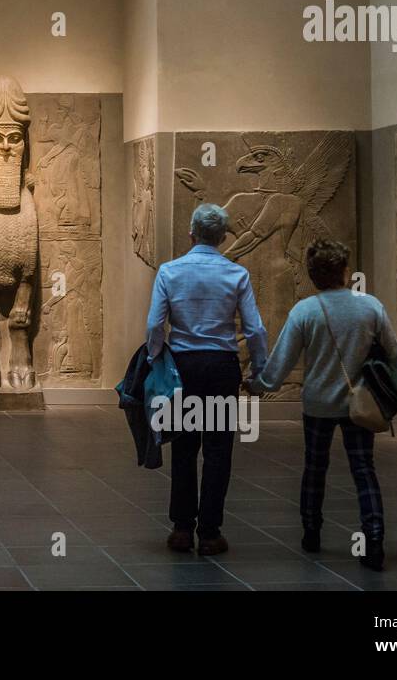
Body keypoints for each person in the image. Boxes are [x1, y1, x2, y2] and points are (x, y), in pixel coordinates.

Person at [247, 239, 397, 572]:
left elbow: (282, 362)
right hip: (360, 402)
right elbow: (396, 354)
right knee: (364, 470)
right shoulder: (370, 305)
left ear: (314, 274)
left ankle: (311, 531)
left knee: (315, 469)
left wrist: (260, 385)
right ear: (345, 271)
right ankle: (374, 540)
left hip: (318, 402)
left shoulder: (305, 311)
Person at [146, 203, 268, 556]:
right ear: (223, 238)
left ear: (191, 234)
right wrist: (259, 371)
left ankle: (182, 528)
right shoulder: (236, 274)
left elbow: (156, 324)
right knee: (218, 450)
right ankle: (211, 531)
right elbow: (254, 329)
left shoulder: (170, 272)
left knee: (184, 448)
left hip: (182, 367)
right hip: (220, 368)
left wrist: (155, 358)